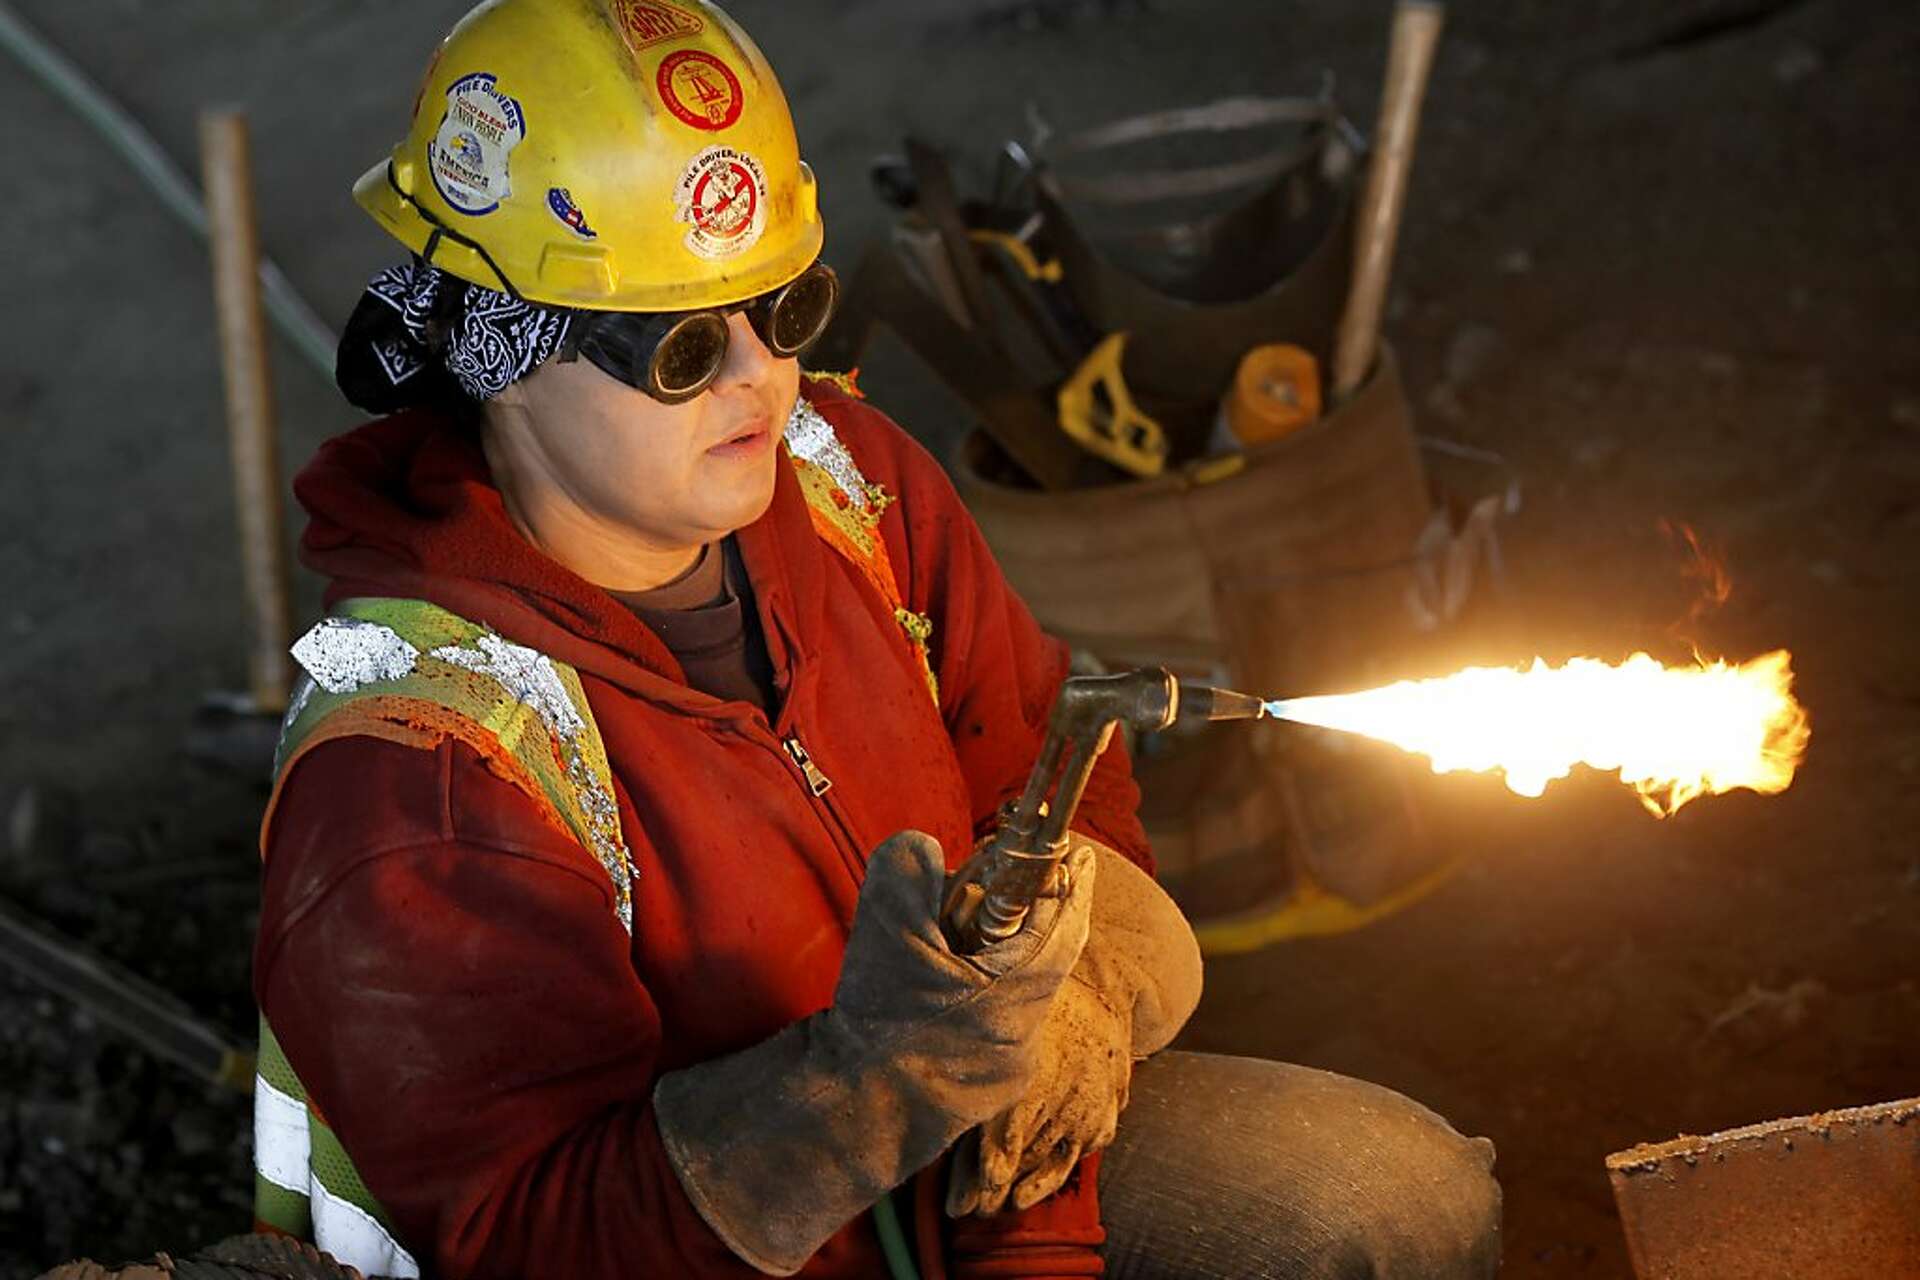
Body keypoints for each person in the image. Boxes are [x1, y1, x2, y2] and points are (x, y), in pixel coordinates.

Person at [250, 2, 1502, 1277]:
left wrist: (1078, 1000)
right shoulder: (425, 775)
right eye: (681, 343)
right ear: (499, 352)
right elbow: (538, 1239)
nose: (760, 377)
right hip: (732, 1251)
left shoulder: (853, 484)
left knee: (1393, 1202)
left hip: (966, 1192)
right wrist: (858, 1088)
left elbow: (1051, 767)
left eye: (781, 308)